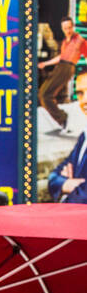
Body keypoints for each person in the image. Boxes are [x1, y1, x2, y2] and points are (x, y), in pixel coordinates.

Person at [38, 16, 87, 134]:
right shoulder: (65, 41)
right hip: (60, 66)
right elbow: (61, 57)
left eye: (70, 27)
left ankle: (63, 118)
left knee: (45, 94)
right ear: (62, 28)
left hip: (67, 68)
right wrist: (45, 63)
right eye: (65, 28)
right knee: (42, 94)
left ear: (73, 27)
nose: (68, 30)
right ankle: (62, 118)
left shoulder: (80, 40)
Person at [48, 72, 87, 203]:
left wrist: (65, 193)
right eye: (80, 93)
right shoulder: (84, 137)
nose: (84, 100)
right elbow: (53, 177)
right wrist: (65, 184)